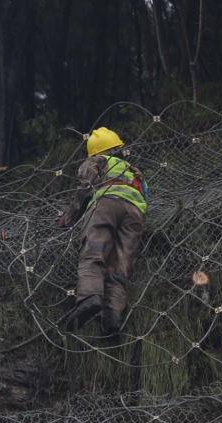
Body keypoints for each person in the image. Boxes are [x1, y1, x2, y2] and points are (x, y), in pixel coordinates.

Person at [57, 127, 147, 335]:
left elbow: (84, 189)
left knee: (93, 253)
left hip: (106, 204)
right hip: (135, 215)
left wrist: (67, 219)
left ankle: (89, 298)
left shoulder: (97, 161)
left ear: (96, 151)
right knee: (119, 267)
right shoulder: (135, 172)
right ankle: (112, 317)